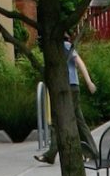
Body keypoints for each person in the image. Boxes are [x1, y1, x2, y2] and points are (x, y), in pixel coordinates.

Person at [36, 35, 100, 165]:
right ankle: (52, 154)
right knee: (63, 120)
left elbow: (79, 62)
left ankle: (91, 152)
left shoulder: (64, 46)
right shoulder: (55, 49)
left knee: (73, 120)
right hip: (62, 87)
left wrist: (89, 82)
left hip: (69, 88)